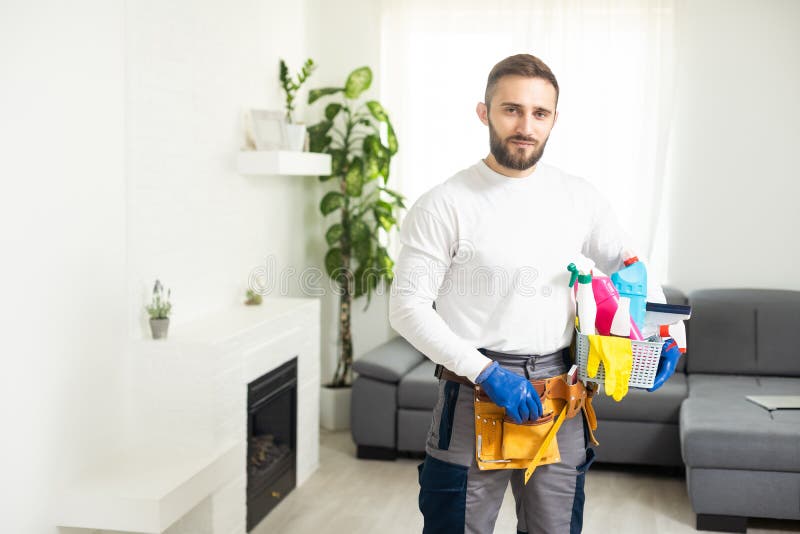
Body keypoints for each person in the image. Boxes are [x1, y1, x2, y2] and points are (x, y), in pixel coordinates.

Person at [388, 54, 679, 533]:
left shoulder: (578, 196)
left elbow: (630, 266)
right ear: (484, 112)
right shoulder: (445, 204)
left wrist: (661, 332)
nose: (526, 125)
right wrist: (488, 373)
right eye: (511, 110)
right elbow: (407, 308)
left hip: (561, 393)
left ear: (554, 120)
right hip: (473, 387)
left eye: (539, 113)